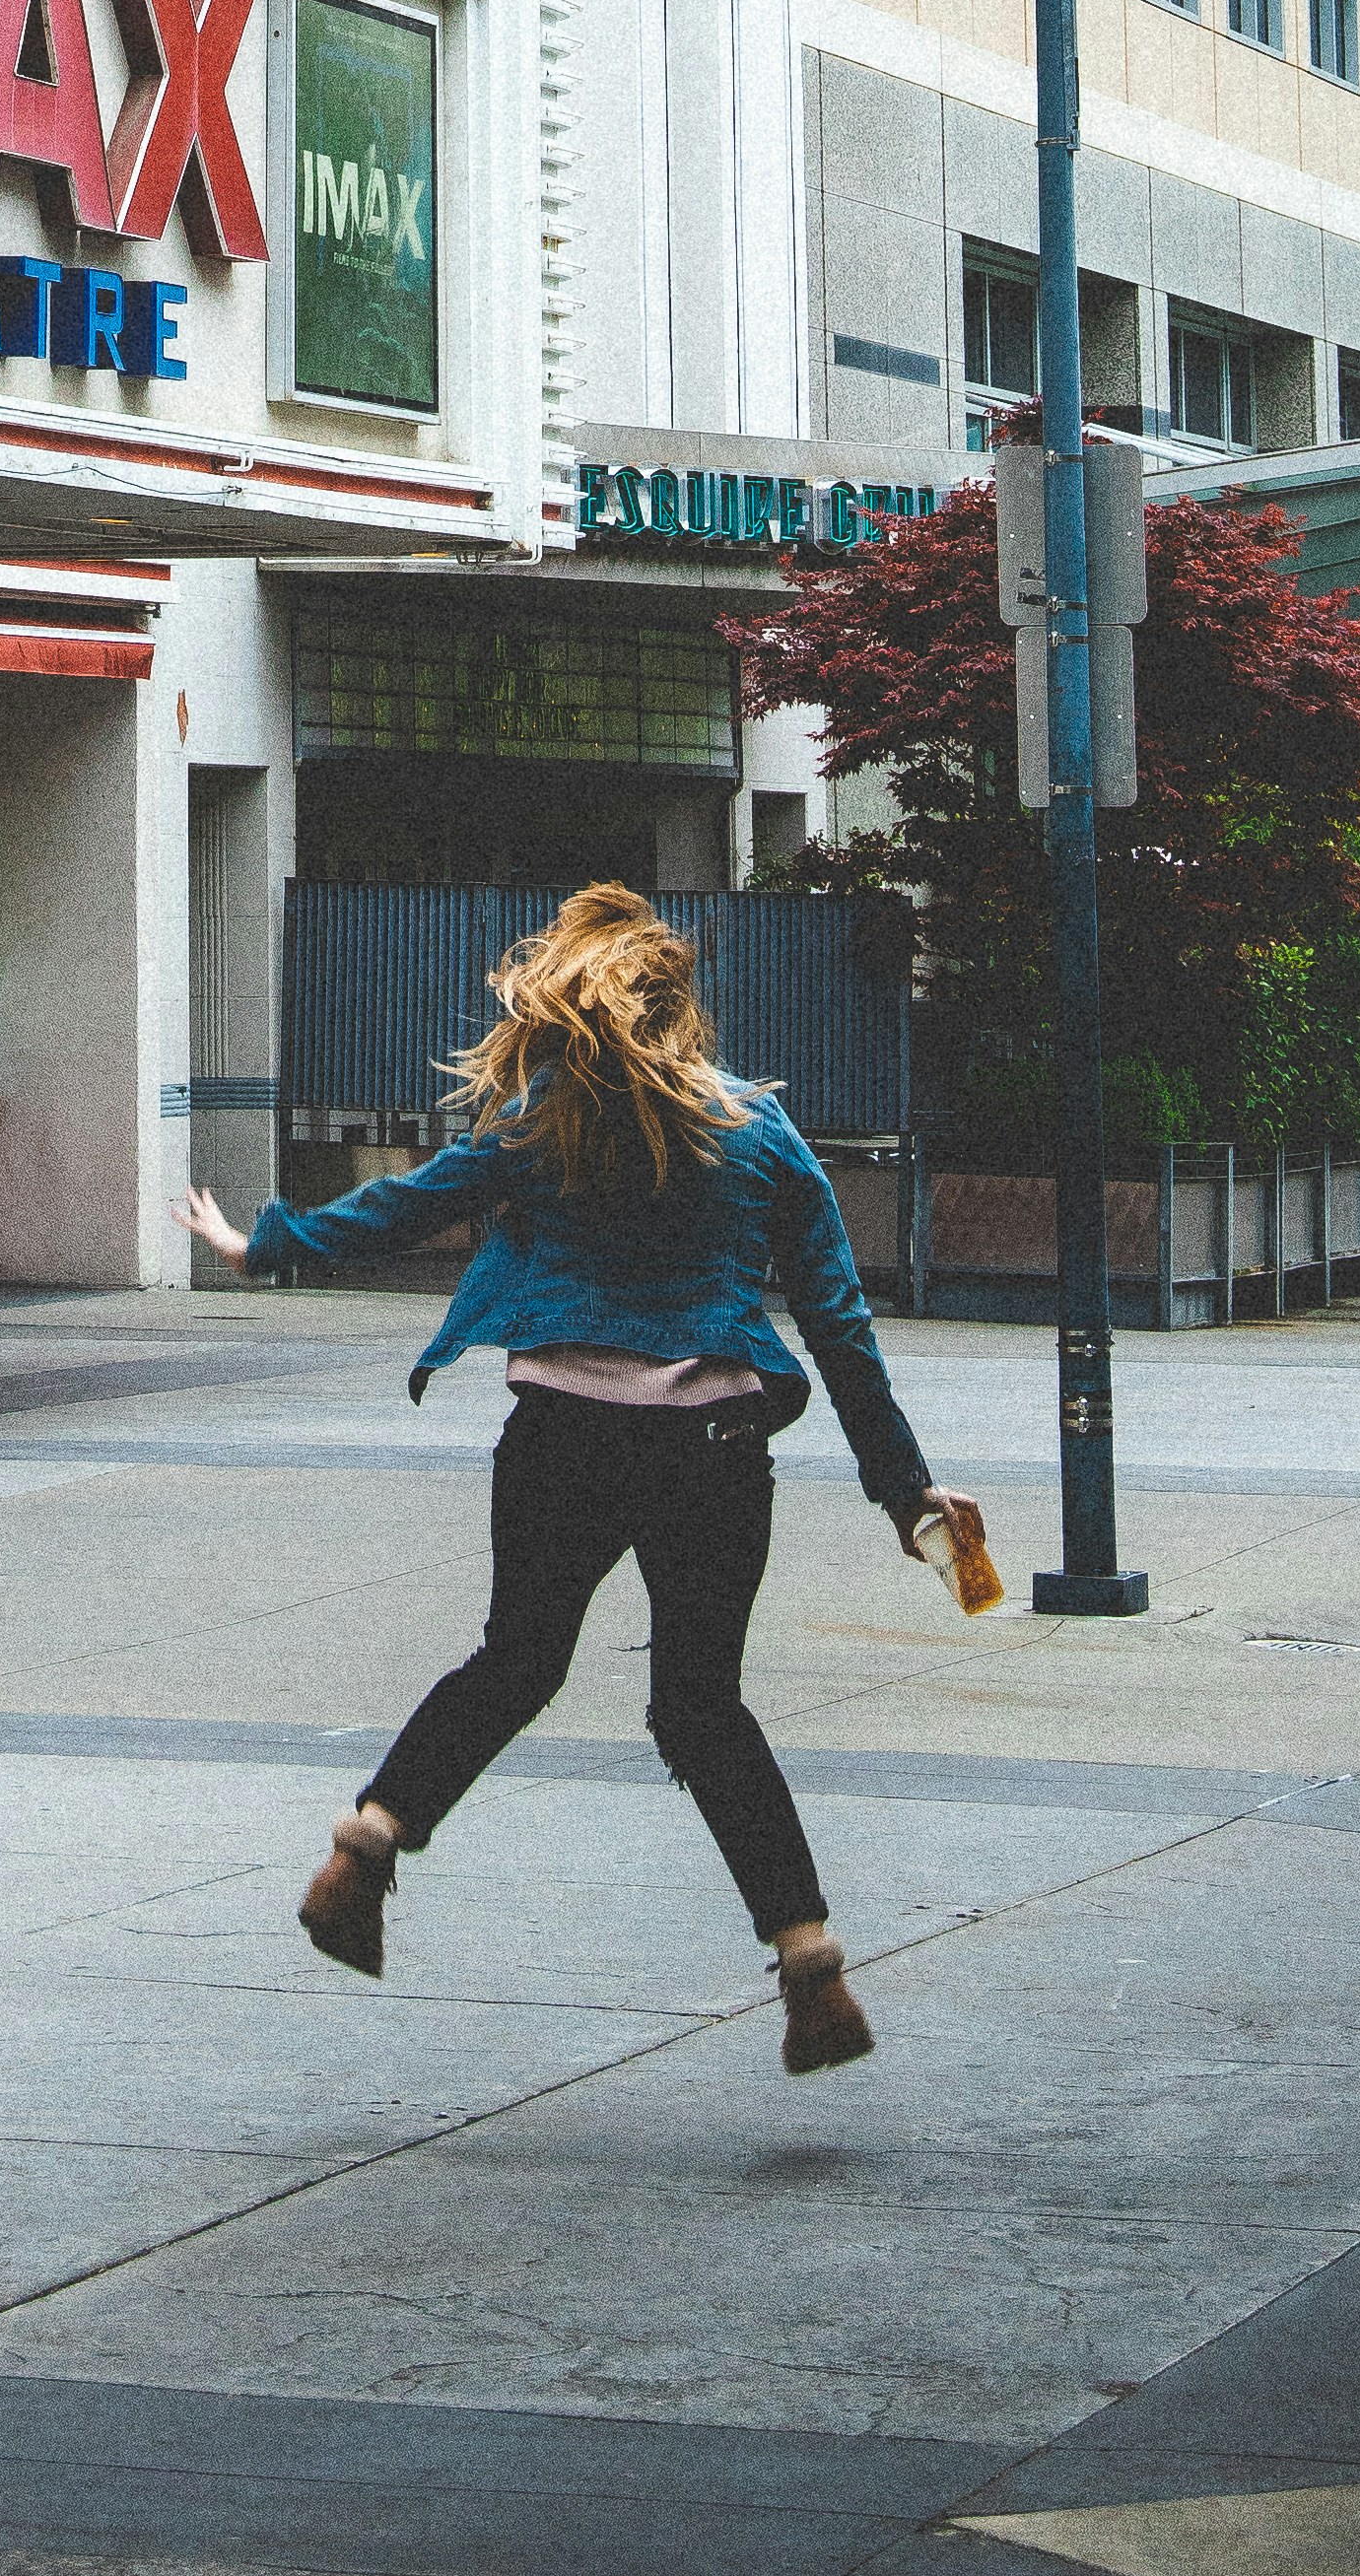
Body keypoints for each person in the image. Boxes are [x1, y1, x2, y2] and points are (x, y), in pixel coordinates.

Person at [186, 884, 995, 2074]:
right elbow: (837, 1323)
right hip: (709, 1454)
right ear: (682, 1009)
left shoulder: (538, 1124)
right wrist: (902, 1491)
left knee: (515, 1660)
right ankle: (811, 1968)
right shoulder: (759, 1135)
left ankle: (367, 1844)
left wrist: (268, 1245)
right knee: (701, 1708)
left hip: (559, 1434)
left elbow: (403, 1208)